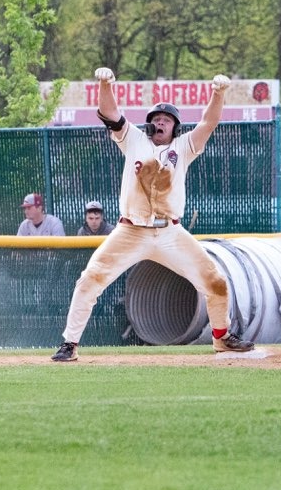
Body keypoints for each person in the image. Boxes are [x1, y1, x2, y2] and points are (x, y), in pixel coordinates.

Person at [50, 69, 260, 362]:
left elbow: (209, 122)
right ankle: (70, 344)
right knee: (89, 280)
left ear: (176, 127)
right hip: (131, 230)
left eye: (166, 119)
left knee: (215, 281)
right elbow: (109, 113)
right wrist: (105, 84)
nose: (160, 122)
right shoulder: (135, 140)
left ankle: (221, 337)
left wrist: (218, 93)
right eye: (156, 118)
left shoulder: (183, 147)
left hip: (170, 232)